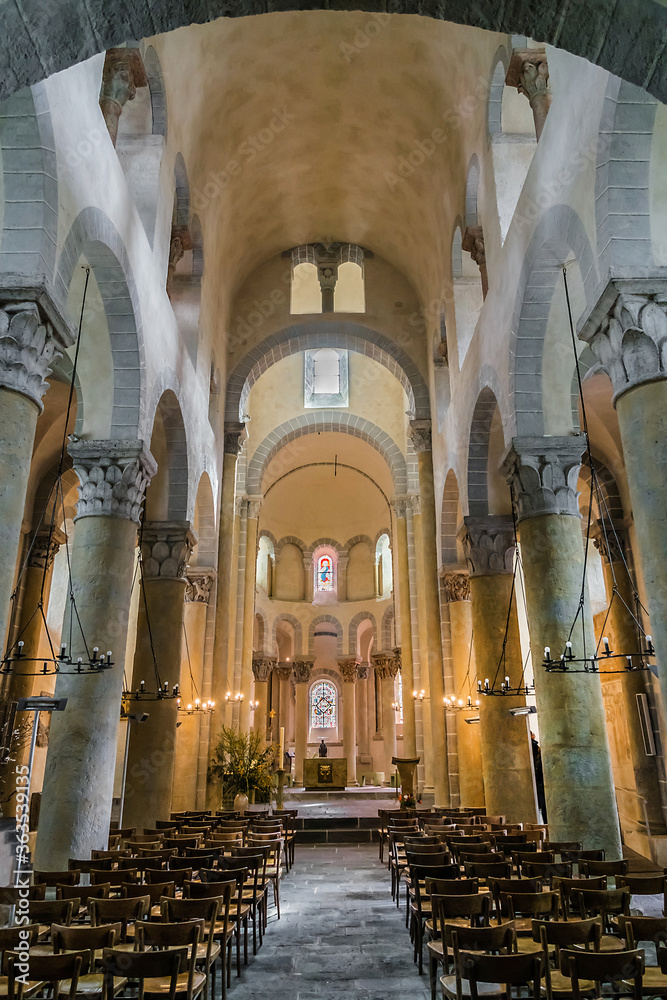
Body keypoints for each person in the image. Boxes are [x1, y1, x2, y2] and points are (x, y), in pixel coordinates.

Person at [531, 730, 547, 822]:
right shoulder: (535, 747)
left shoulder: (538, 752)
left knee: (544, 807)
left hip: (540, 783)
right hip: (542, 783)